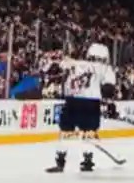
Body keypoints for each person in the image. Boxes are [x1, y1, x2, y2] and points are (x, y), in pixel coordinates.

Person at [46, 43, 118, 173]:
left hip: (72, 101)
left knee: (65, 132)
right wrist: (109, 104)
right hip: (91, 104)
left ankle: (60, 162)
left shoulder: (75, 64)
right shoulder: (106, 69)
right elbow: (108, 89)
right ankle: (87, 161)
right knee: (89, 134)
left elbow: (54, 69)